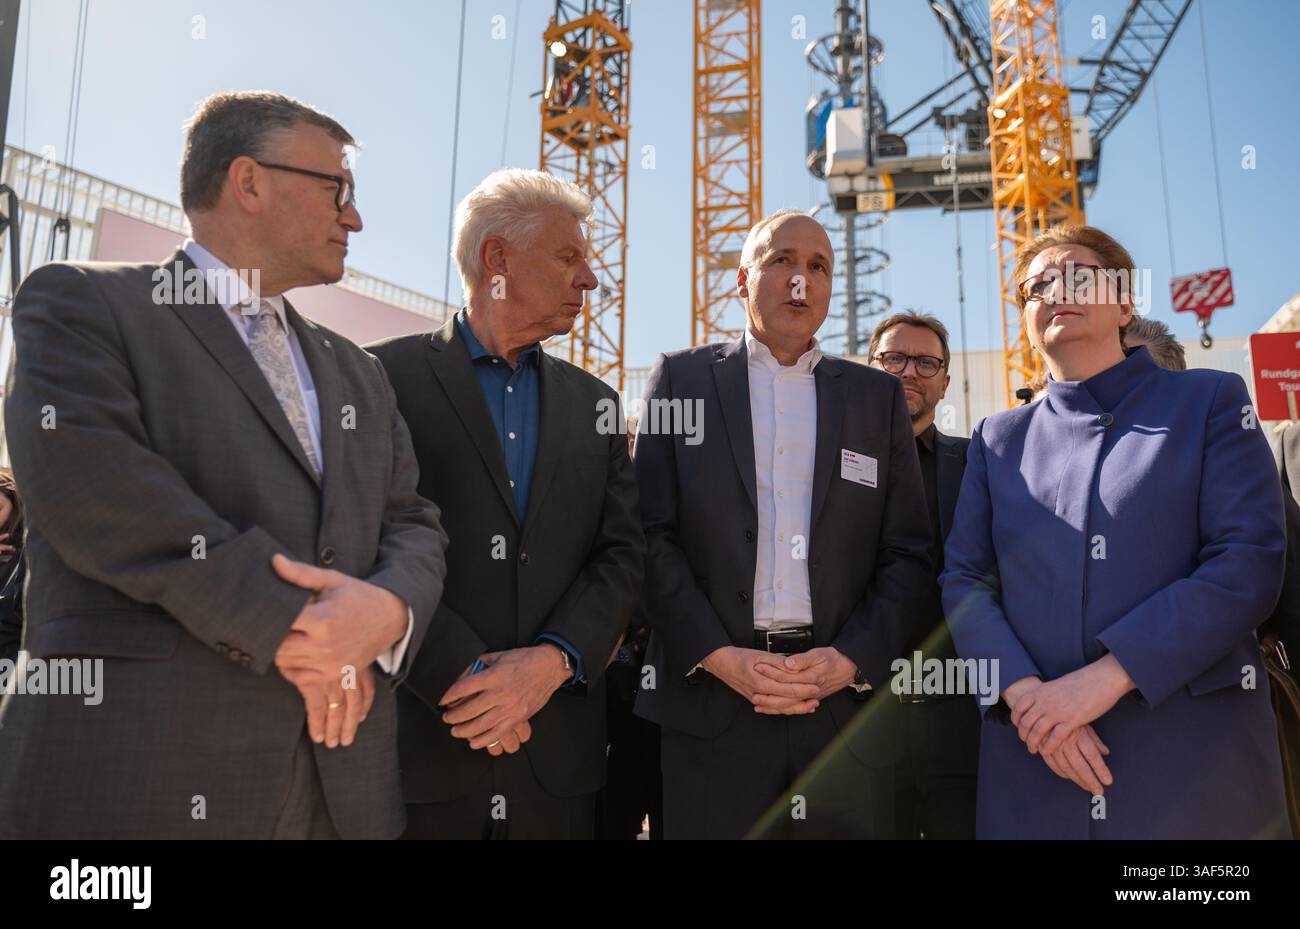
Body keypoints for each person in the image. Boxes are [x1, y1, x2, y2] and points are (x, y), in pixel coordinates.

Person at [0, 91, 448, 839]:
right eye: (339, 189)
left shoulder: (360, 374)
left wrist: (389, 611)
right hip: (139, 781)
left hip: (340, 794)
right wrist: (307, 628)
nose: (356, 218)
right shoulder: (80, 303)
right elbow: (94, 487)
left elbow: (413, 521)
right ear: (249, 182)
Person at [940, 223, 1289, 838]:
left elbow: (1247, 561)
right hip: (1034, 764)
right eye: (1037, 285)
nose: (1055, 289)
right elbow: (965, 580)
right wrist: (1028, 700)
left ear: (1126, 303)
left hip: (1192, 767)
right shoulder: (997, 439)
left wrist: (1105, 680)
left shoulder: (1208, 400)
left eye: (1077, 274)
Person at [633, 209, 933, 839]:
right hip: (712, 704)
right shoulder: (680, 380)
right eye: (782, 261)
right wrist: (715, 656)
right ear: (742, 280)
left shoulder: (876, 400)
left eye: (818, 266)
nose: (802, 279)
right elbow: (647, 534)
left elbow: (908, 552)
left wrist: (851, 659)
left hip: (841, 714)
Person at [367, 169, 644, 840]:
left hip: (561, 768)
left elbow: (624, 553)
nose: (589, 280)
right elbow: (363, 542)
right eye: (569, 256)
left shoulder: (598, 403)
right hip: (420, 749)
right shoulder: (378, 377)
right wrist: (469, 676)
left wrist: (553, 661)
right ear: (498, 258)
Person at [867, 312, 978, 839]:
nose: (909, 371)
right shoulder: (821, 463)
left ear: (945, 382)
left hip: (957, 719)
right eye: (894, 358)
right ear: (871, 367)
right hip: (858, 716)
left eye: (926, 362)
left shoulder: (978, 463)